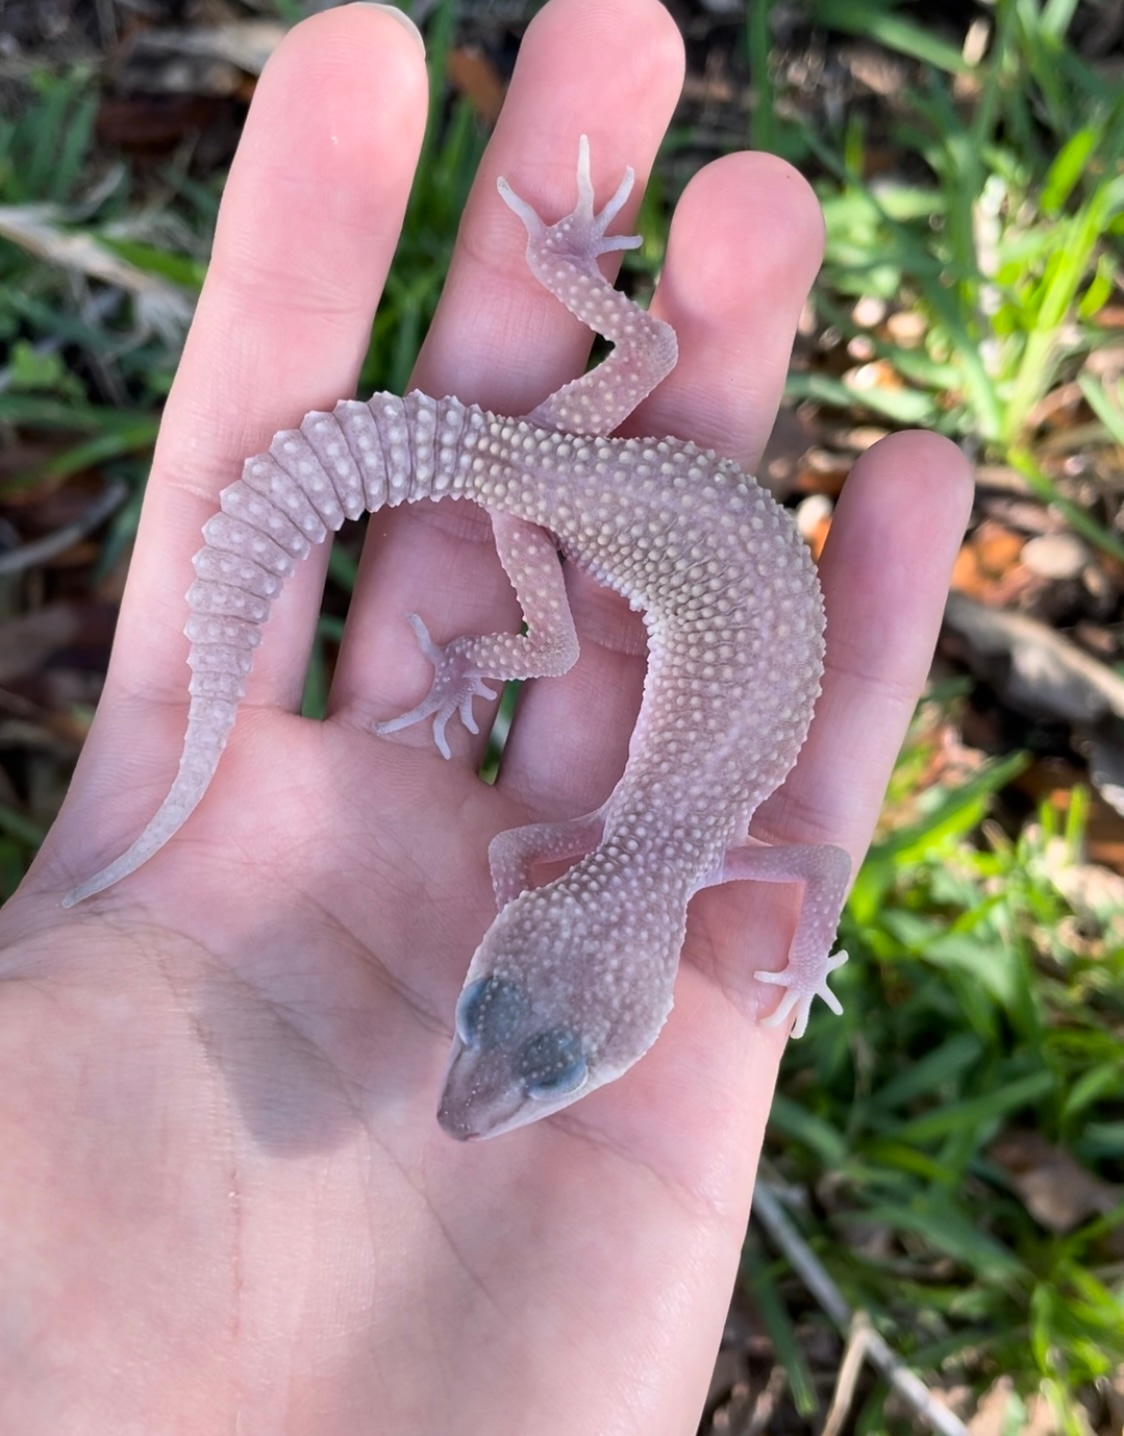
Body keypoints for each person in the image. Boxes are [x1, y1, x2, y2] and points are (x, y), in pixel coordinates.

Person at [0, 1, 972, 1429]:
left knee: (604, 452)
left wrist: (802, 949)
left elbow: (807, 876)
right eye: (533, 1048)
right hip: (552, 484)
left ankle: (580, 274)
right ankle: (562, 301)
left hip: (572, 461)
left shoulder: (655, 853)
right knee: (548, 625)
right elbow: (792, 872)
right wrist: (473, 684)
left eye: (486, 1020)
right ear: (609, 987)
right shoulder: (605, 846)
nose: (477, 1093)